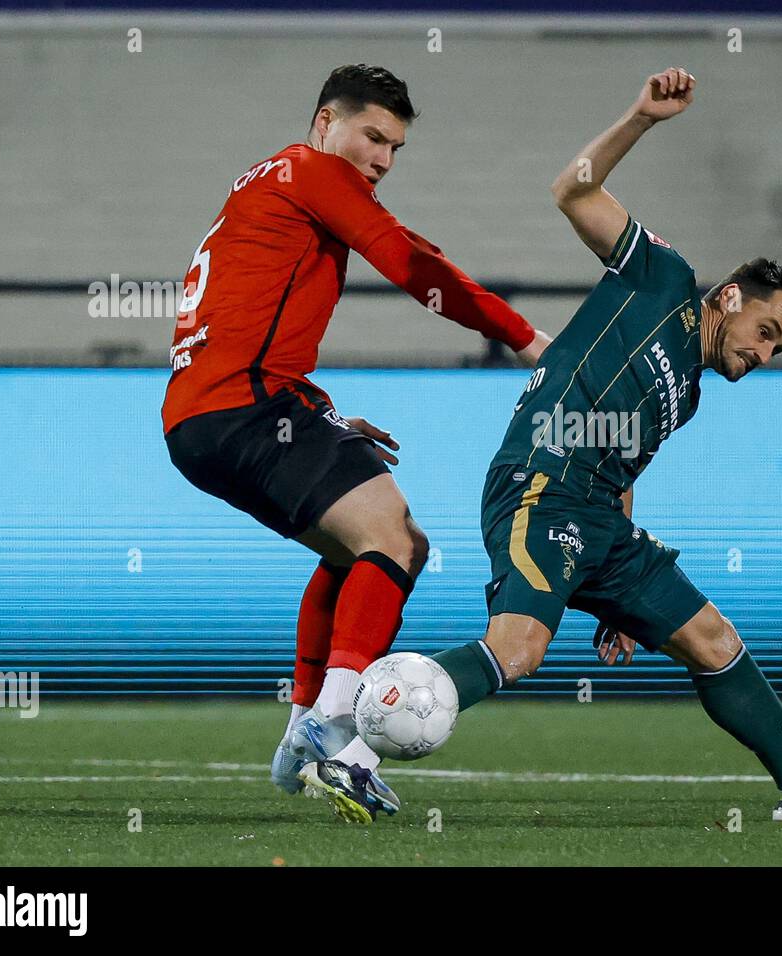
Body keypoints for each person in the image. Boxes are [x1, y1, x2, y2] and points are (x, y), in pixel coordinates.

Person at [300, 67, 782, 824]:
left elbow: (622, 466)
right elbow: (572, 191)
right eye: (766, 333)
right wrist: (642, 119)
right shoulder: (663, 280)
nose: (765, 355)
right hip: (538, 488)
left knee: (713, 641)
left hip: (598, 520)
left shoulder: (688, 392)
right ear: (730, 300)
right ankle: (352, 758)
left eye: (779, 350)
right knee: (517, 650)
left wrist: (615, 598)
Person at [160, 64, 551, 801]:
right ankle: (335, 720)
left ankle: (301, 731)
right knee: (396, 541)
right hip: (245, 408)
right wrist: (526, 339)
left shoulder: (269, 183)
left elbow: (252, 314)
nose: (382, 159)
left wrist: (318, 414)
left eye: (396, 147)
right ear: (324, 123)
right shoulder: (313, 169)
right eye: (372, 136)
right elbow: (412, 263)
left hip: (203, 416)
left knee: (351, 548)